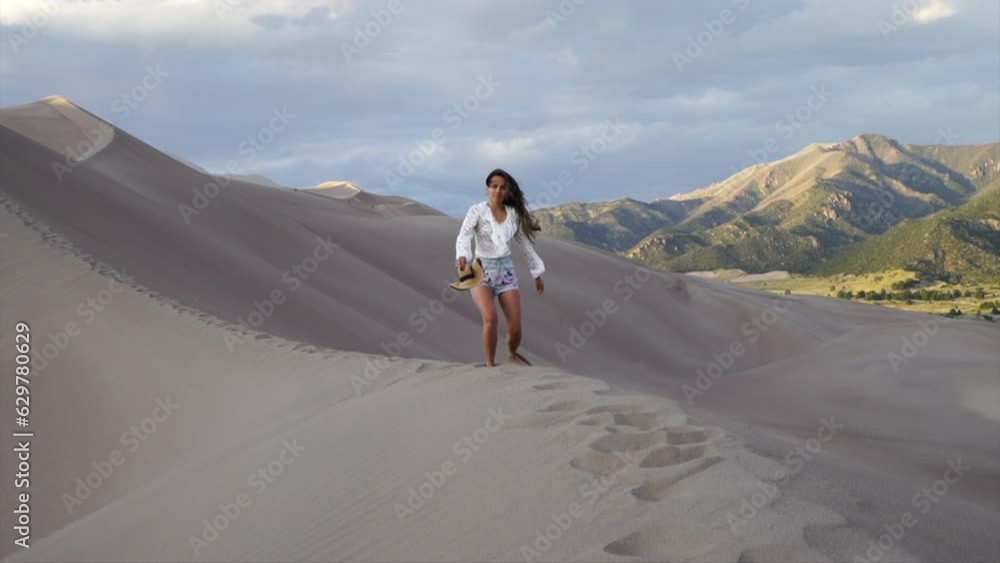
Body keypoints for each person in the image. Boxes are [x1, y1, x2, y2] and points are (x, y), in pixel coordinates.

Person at [455, 168, 545, 367]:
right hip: (481, 271)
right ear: (487, 188)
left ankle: (512, 354)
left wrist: (537, 273)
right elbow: (464, 235)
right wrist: (462, 255)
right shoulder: (477, 211)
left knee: (515, 328)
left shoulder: (513, 215)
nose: (498, 190)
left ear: (507, 191)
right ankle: (491, 366)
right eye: (494, 186)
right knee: (491, 318)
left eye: (503, 187)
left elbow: (524, 244)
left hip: (506, 272)